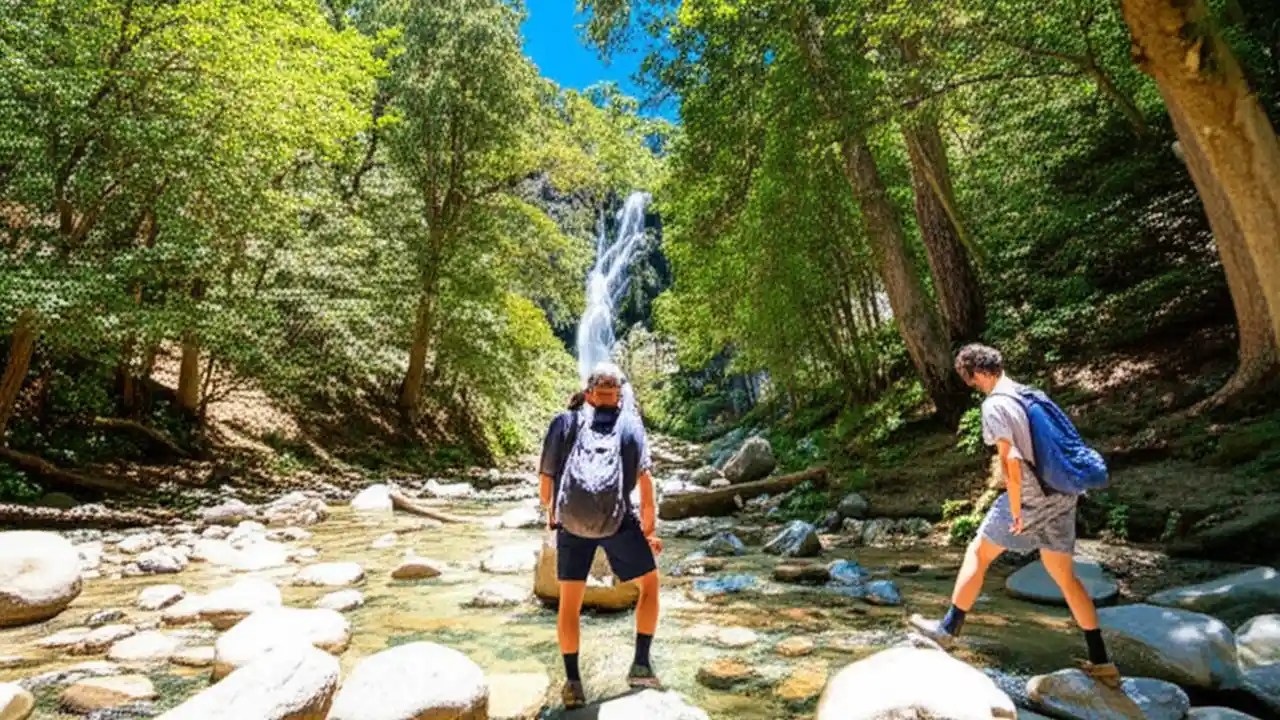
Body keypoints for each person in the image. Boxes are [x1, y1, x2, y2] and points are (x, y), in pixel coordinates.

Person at [908, 344, 1122, 688]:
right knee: (1065, 577)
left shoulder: (995, 405)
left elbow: (1011, 461)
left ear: (977, 374)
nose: (974, 386)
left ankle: (948, 629)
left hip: (1030, 496)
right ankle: (1102, 662)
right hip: (1063, 494)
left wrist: (1018, 509)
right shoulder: (1029, 394)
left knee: (978, 552)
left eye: (971, 381)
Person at [539, 362, 662, 709]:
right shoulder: (631, 426)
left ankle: (573, 684)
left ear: (590, 394)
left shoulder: (564, 422)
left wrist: (554, 515)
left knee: (570, 603)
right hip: (618, 520)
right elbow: (647, 486)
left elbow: (546, 484)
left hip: (572, 522)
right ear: (619, 395)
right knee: (649, 585)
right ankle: (640, 665)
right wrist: (649, 532)